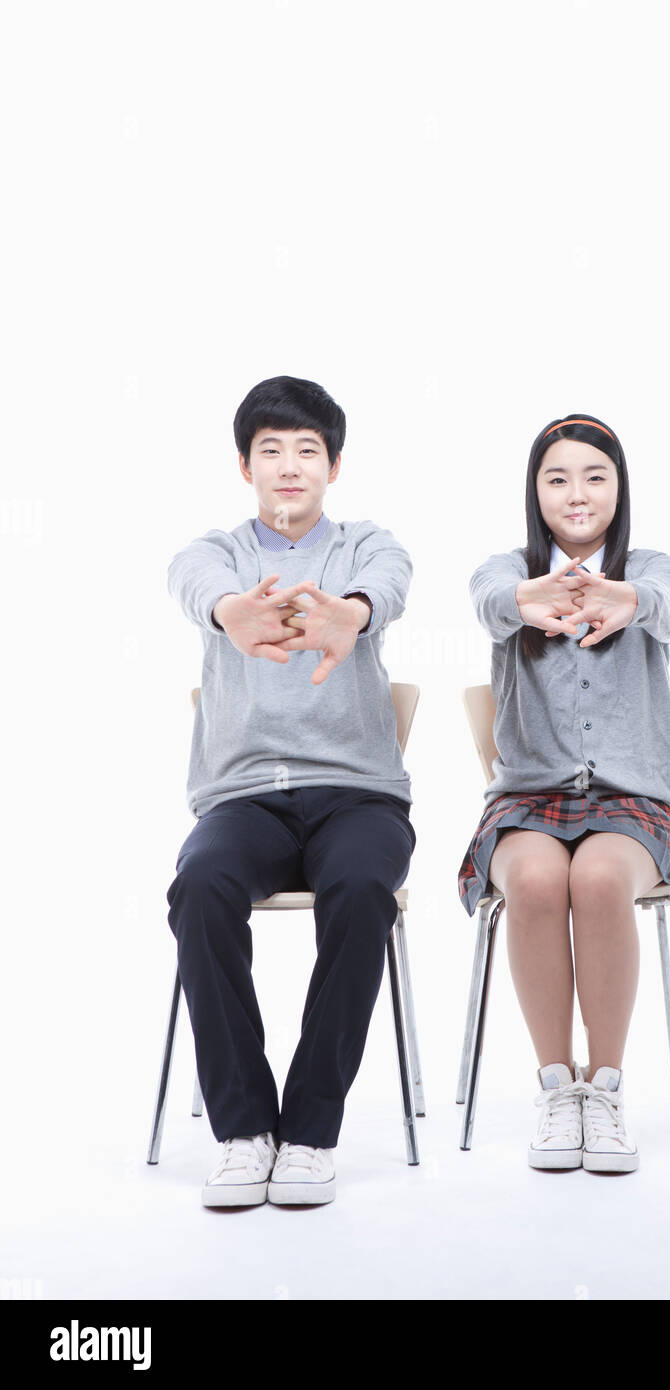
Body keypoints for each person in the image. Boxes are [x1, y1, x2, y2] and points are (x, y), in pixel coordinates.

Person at [166, 375, 415, 1209]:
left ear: (333, 466)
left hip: (357, 796)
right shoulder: (218, 554)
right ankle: (243, 1133)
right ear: (245, 466)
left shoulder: (367, 546)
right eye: (270, 450)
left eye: (307, 450)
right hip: (244, 801)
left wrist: (352, 611)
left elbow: (389, 585)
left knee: (358, 886)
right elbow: (194, 582)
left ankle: (309, 1132)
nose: (289, 466)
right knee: (199, 885)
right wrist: (231, 610)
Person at [458, 413, 670, 1174]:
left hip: (630, 804)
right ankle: (558, 1088)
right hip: (529, 799)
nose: (577, 492)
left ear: (619, 488)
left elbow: (664, 597)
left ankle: (607, 1088)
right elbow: (494, 600)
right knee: (534, 878)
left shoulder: (652, 570)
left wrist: (626, 600)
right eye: (557, 477)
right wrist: (529, 598)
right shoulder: (507, 572)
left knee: (595, 878)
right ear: (535, 491)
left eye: (595, 475)